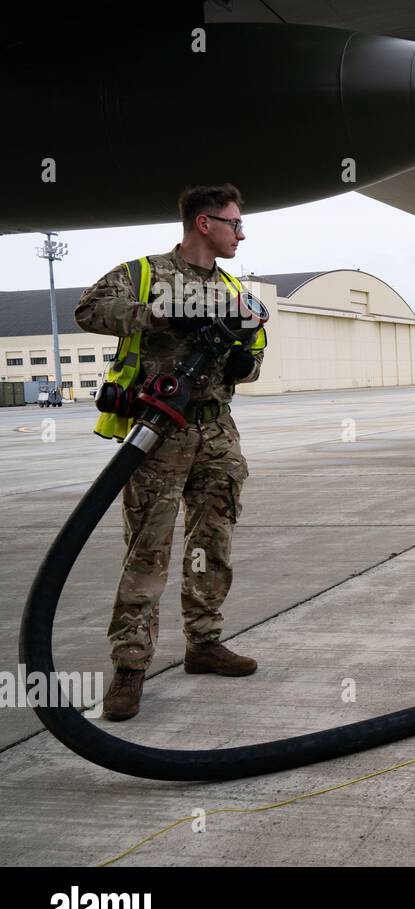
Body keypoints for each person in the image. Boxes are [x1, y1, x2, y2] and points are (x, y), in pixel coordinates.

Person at [74, 183, 265, 720]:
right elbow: (88, 310)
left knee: (214, 541)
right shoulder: (143, 273)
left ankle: (204, 643)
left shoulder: (232, 288)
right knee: (147, 551)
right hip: (159, 432)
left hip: (217, 432)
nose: (241, 234)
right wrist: (160, 315)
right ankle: (130, 667)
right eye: (234, 224)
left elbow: (253, 359)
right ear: (204, 224)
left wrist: (241, 363)